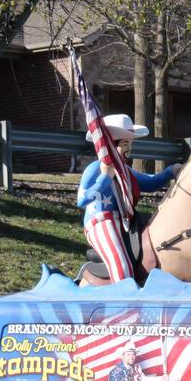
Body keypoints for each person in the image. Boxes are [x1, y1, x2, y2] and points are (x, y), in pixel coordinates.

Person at [77, 114, 182, 282]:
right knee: (122, 266)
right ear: (111, 145)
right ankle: (126, 304)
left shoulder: (124, 171)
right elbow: (82, 199)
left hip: (124, 222)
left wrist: (170, 171)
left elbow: (149, 183)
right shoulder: (95, 168)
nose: (129, 149)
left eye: (130, 143)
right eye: (125, 143)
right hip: (101, 220)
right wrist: (104, 178)